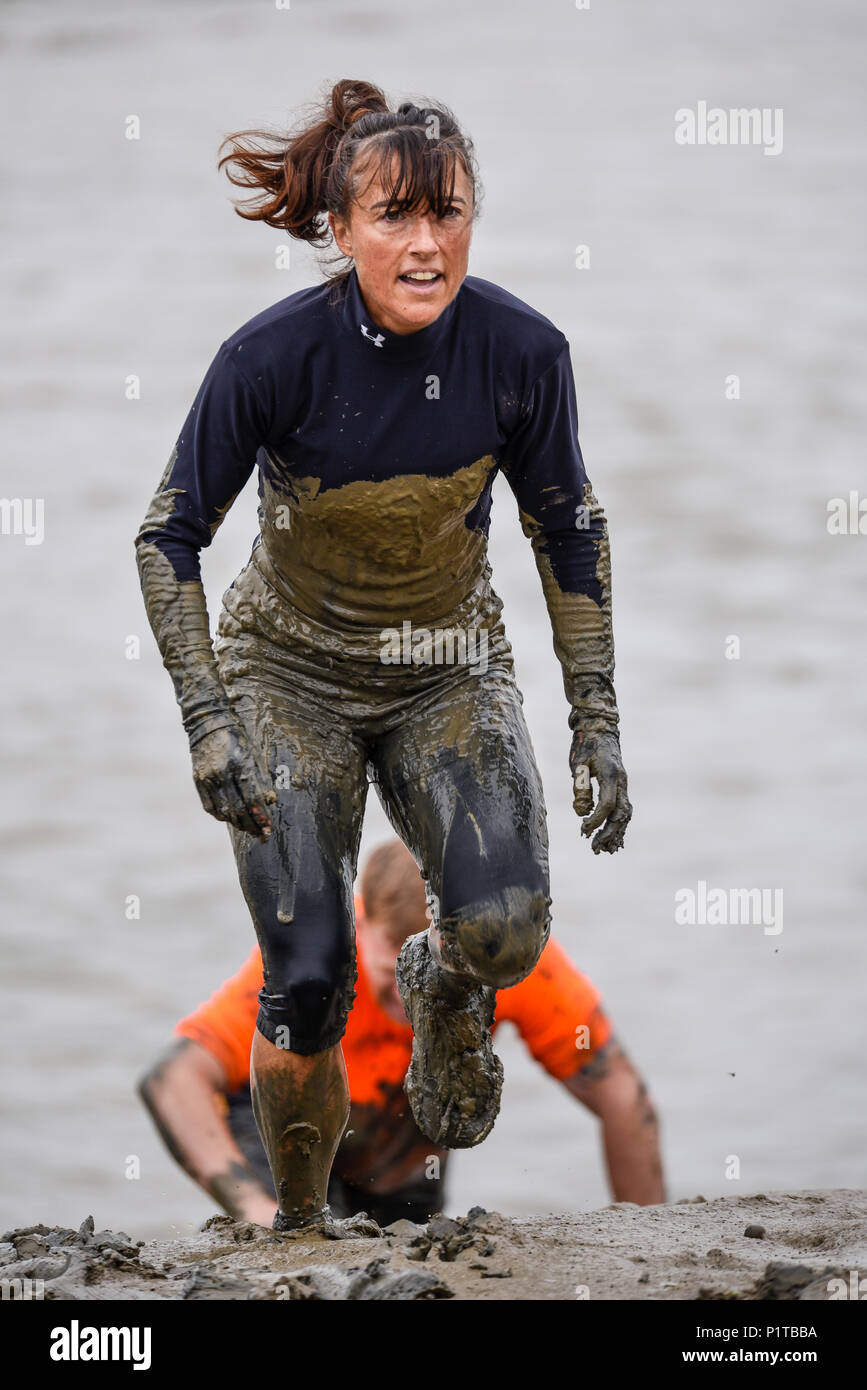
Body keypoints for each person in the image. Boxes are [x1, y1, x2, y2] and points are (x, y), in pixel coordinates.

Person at [134, 78, 632, 1234]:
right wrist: (209, 718)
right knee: (306, 978)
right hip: (286, 675)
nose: (424, 244)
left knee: (508, 927)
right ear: (342, 228)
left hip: (449, 666)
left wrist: (594, 714)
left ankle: (444, 984)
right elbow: (168, 536)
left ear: (473, 216)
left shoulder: (522, 351)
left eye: (446, 212)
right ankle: (300, 1239)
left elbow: (570, 528)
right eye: (395, 217)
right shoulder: (268, 358)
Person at [139, 842, 663, 1227]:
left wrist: (647, 1245)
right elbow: (173, 1079)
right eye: (396, 981)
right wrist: (253, 1206)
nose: (415, 1005)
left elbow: (621, 1094)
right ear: (359, 924)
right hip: (278, 1139)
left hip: (399, 1152)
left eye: (442, 987)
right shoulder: (319, 957)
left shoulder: (503, 959)